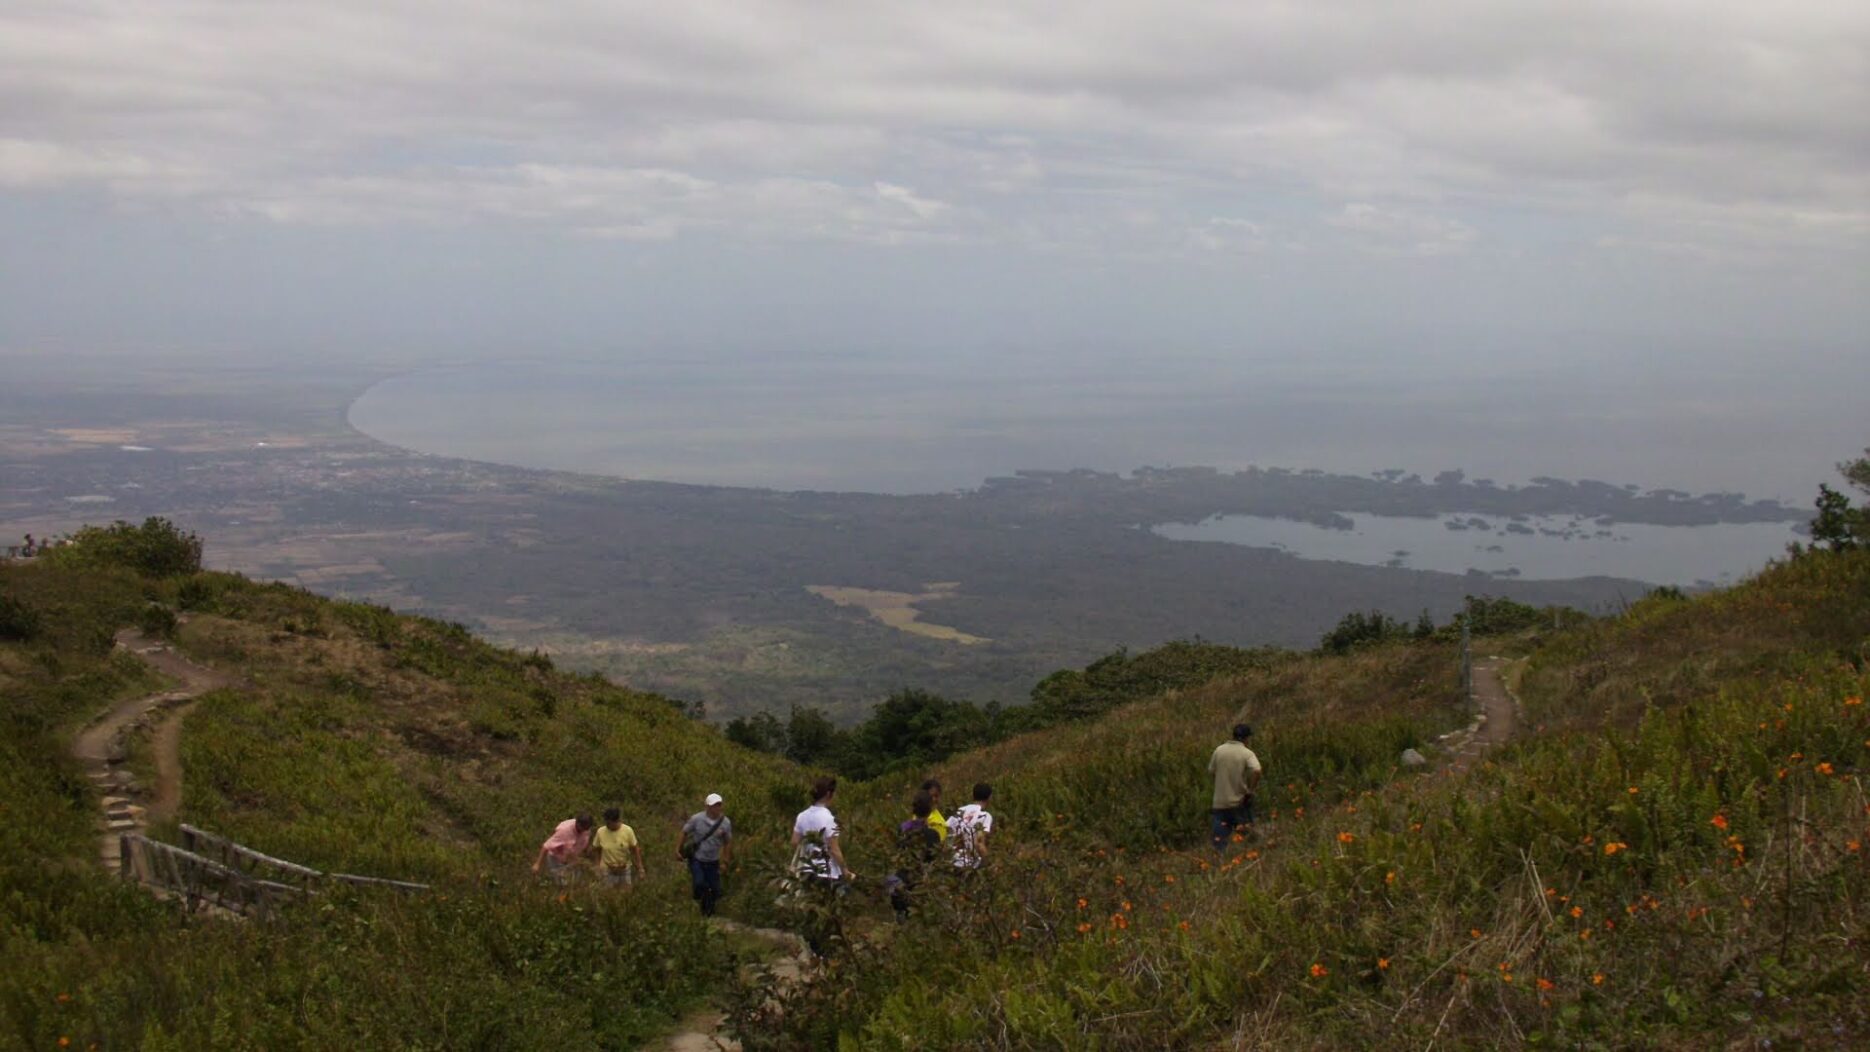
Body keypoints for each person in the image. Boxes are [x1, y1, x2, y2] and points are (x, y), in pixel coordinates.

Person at [887, 790, 942, 921]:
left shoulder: (902, 829)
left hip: (901, 878)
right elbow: (934, 858)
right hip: (921, 881)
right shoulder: (932, 834)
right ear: (930, 811)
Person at [1208, 723, 1262, 852]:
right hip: (1239, 803)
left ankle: (1219, 864)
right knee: (1250, 837)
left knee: (1219, 843)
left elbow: (1211, 771)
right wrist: (1250, 790)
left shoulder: (1219, 750)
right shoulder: (1246, 753)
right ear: (1246, 738)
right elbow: (1257, 770)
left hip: (1219, 804)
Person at [677, 793, 733, 916]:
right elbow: (684, 832)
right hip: (698, 859)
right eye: (714, 805)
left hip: (713, 860)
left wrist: (725, 861)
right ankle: (699, 901)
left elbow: (727, 842)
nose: (717, 808)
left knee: (715, 889)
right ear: (707, 806)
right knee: (699, 883)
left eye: (719, 805)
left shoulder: (725, 823)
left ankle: (709, 912)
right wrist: (678, 849)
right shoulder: (697, 819)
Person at [792, 776, 853, 884]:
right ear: (829, 794)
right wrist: (845, 870)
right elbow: (834, 849)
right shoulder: (829, 819)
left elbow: (794, 842)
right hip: (827, 873)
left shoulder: (802, 816)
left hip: (806, 871)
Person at [533, 813, 595, 884]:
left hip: (572, 859)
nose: (585, 830)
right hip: (556, 858)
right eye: (583, 828)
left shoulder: (586, 829)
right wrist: (537, 864)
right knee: (562, 883)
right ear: (578, 824)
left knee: (576, 881)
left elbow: (584, 840)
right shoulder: (564, 831)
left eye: (586, 828)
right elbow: (546, 846)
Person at [594, 807, 645, 888]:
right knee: (608, 894)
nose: (607, 825)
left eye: (609, 823)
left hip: (624, 869)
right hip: (607, 869)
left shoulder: (628, 831)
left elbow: (635, 850)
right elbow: (596, 849)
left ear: (616, 821)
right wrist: (597, 866)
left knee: (625, 893)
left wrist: (640, 868)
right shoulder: (600, 832)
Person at [950, 783, 994, 870]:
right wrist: (989, 864)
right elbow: (979, 843)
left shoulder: (960, 810)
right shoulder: (984, 816)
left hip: (952, 860)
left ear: (973, 796)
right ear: (989, 797)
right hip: (970, 864)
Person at [920, 778, 949, 842]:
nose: (933, 799)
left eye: (936, 796)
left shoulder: (936, 812)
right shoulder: (921, 816)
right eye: (930, 796)